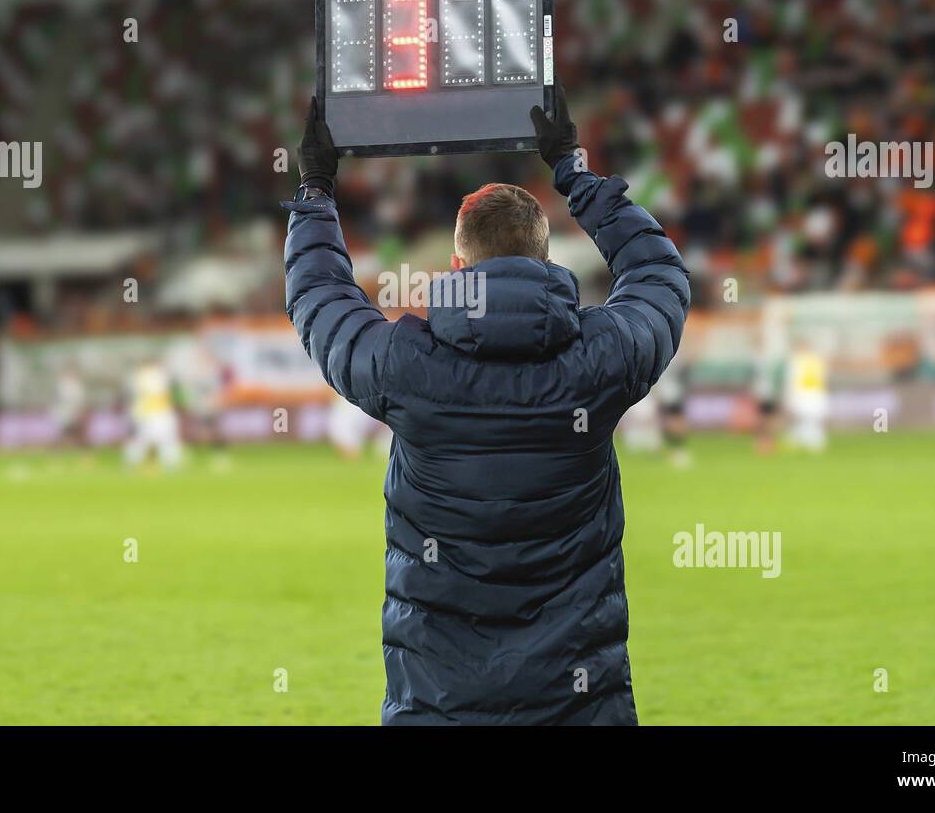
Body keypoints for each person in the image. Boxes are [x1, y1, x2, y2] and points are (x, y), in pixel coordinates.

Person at [283, 87, 689, 725]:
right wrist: (575, 174)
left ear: (456, 265)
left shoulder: (405, 366)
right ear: (545, 258)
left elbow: (318, 298)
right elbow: (659, 275)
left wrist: (316, 189)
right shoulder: (603, 358)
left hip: (438, 704)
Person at [123, 360, 184, 471]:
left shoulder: (147, 375)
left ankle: (171, 463)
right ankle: (133, 462)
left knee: (165, 439)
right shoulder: (145, 376)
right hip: (150, 413)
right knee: (144, 439)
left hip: (159, 411)